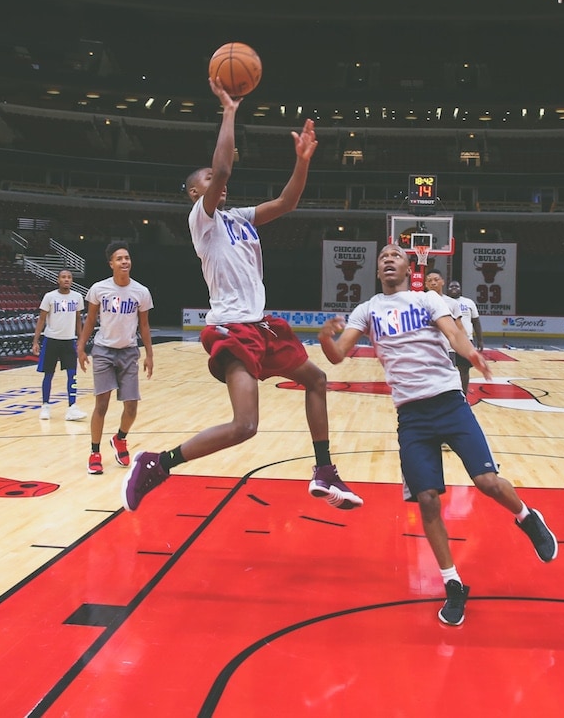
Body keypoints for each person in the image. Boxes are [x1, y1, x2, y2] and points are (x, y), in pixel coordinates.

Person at [121, 77, 361, 513]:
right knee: (246, 425)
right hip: (231, 327)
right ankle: (158, 463)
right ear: (197, 192)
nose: (219, 181)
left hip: (262, 324)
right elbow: (225, 168)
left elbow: (287, 202)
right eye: (209, 179)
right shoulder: (202, 219)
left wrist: (303, 161)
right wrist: (230, 112)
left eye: (217, 178)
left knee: (317, 380)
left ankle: (324, 471)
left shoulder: (242, 218)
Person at [318, 243, 557, 627]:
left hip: (449, 403)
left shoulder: (427, 299)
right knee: (427, 501)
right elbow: (336, 356)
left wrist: (474, 355)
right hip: (411, 416)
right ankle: (453, 584)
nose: (387, 260)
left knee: (487, 481)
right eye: (382, 257)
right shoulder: (367, 310)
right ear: (377, 270)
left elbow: (454, 334)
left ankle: (527, 517)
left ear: (408, 264)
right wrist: (325, 336)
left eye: (394, 255)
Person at [76, 241, 154, 476]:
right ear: (111, 263)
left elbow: (144, 325)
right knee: (102, 405)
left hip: (129, 351)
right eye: (119, 258)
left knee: (131, 406)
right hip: (103, 351)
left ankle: (120, 438)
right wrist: (81, 348)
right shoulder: (99, 289)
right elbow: (89, 321)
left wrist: (150, 354)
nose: (124, 262)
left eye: (127, 258)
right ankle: (95, 452)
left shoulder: (141, 292)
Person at [31, 268, 86, 421]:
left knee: (72, 375)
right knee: (48, 374)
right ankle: (45, 406)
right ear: (58, 280)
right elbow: (41, 319)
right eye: (63, 277)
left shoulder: (77, 297)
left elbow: (78, 320)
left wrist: (81, 341)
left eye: (69, 277)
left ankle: (72, 407)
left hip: (69, 340)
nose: (66, 279)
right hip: (51, 340)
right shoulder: (49, 297)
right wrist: (36, 340)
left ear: (72, 280)